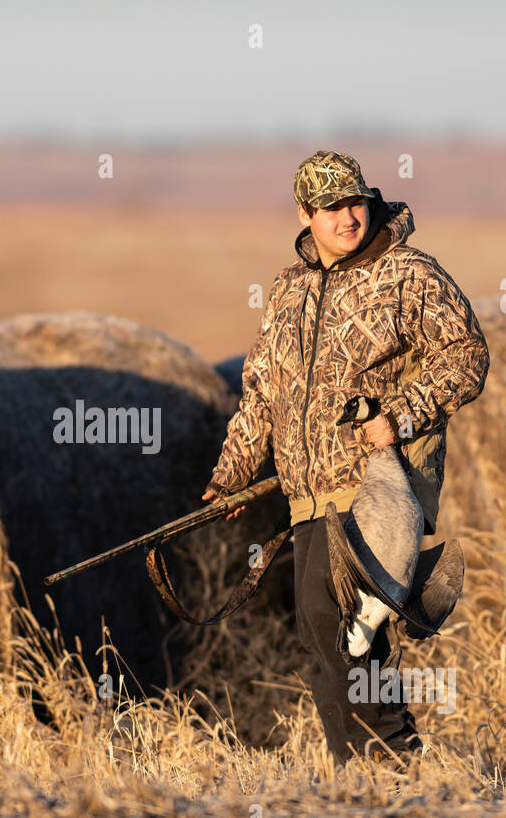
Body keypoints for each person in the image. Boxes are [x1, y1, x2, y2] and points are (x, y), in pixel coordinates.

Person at [202, 150, 489, 766]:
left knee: (341, 622)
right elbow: (263, 393)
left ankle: (390, 760)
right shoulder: (288, 291)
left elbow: (466, 356)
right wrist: (229, 474)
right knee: (320, 626)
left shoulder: (408, 273)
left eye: (355, 201)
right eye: (331, 207)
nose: (348, 216)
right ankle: (363, 772)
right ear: (307, 215)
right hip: (308, 491)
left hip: (378, 487)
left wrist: (401, 416)